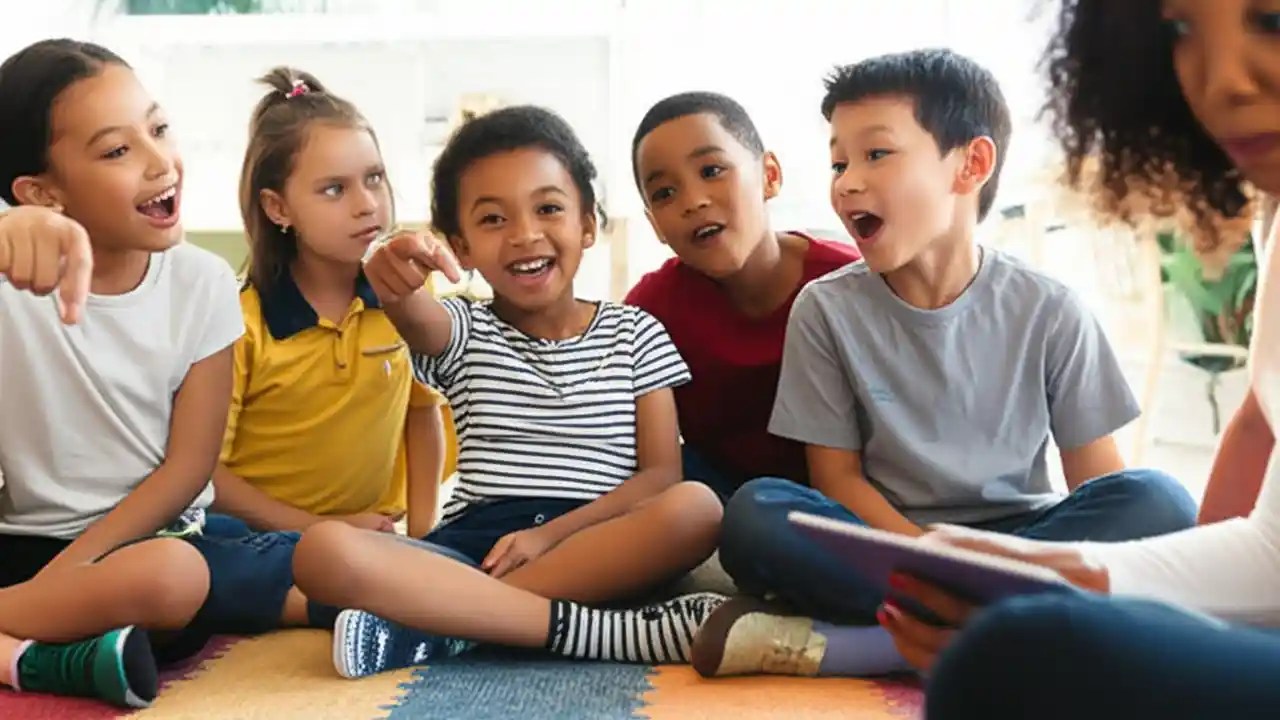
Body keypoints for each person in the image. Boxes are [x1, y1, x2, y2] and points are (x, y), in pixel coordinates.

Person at [692, 48, 1199, 680]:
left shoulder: (1051, 309)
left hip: (1021, 538)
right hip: (889, 540)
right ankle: (1019, 628)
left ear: (971, 164)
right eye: (838, 161)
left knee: (1158, 501)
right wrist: (926, 551)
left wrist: (989, 561)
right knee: (755, 514)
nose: (846, 181)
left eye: (876, 154)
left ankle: (872, 645)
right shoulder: (825, 309)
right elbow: (836, 480)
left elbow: (1099, 486)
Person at [873, 2, 1280, 718]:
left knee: (1035, 639)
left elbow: (1105, 481)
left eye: (1273, 22)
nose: (1222, 83)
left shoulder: (1044, 301)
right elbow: (1271, 552)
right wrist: (1056, 571)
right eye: (1183, 31)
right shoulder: (1275, 215)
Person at [292, 105, 726, 679]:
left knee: (697, 508)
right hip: (477, 550)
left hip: (600, 540)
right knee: (321, 552)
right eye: (493, 220)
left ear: (588, 223)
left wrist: (550, 536)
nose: (525, 235)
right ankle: (600, 635)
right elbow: (414, 315)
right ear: (460, 247)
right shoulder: (465, 329)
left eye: (548, 208)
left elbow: (659, 477)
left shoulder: (636, 332)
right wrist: (392, 274)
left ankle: (448, 625)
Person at [0, 39, 335, 707]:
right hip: (30, 545)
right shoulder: (13, 275)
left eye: (158, 129)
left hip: (153, 543)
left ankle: (26, 642)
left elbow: (189, 469)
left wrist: (61, 585)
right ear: (41, 193)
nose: (161, 164)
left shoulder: (203, 283)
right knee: (188, 589)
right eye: (117, 151)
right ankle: (40, 656)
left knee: (193, 574)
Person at [213, 66, 449, 539]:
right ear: (277, 208)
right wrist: (321, 530)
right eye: (335, 189)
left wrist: (425, 539)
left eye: (375, 178)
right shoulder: (237, 324)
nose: (367, 204)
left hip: (374, 538)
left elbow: (422, 413)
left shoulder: (404, 297)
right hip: (254, 541)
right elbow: (206, 477)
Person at [625, 91, 861, 502]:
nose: (694, 201)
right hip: (721, 490)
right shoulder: (649, 312)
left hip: (848, 486)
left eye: (713, 170)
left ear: (769, 175)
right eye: (665, 193)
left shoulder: (849, 282)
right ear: (655, 225)